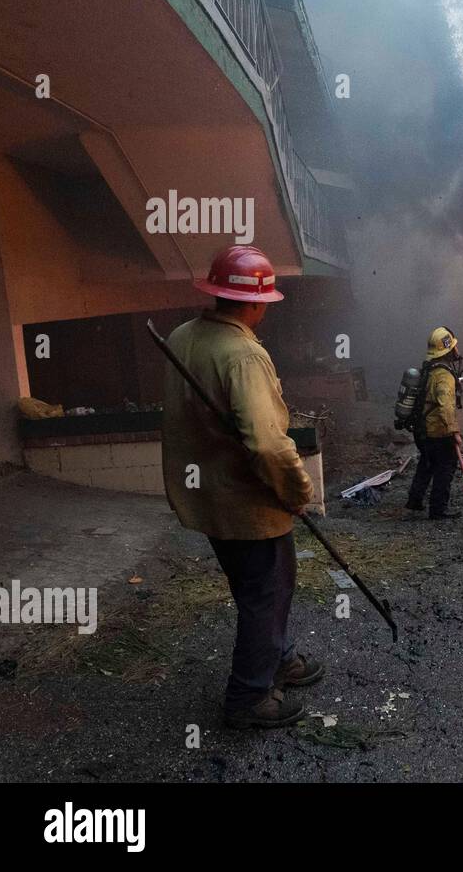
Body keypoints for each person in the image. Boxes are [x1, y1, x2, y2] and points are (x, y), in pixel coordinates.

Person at [160, 245, 322, 729]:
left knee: (260, 588)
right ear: (253, 303)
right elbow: (269, 446)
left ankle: (280, 659)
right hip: (250, 505)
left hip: (209, 497)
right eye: (265, 301)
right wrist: (298, 492)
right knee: (265, 594)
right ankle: (249, 697)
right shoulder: (244, 355)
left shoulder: (183, 336)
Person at [406, 326, 463, 519]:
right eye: (454, 346)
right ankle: (438, 510)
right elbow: (445, 406)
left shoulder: (430, 370)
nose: (457, 350)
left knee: (427, 463)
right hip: (438, 432)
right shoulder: (444, 376)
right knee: (445, 468)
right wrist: (453, 431)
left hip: (423, 431)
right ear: (447, 349)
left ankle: (414, 500)